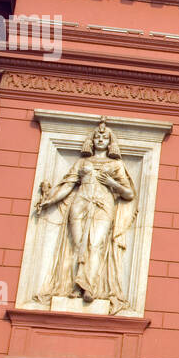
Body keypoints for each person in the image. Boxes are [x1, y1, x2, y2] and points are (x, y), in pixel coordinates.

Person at [32, 119, 136, 313]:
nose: (101, 139)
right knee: (78, 245)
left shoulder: (116, 165)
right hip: (80, 204)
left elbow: (129, 194)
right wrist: (49, 201)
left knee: (95, 245)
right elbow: (67, 186)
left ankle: (88, 287)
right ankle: (74, 287)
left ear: (110, 142)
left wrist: (113, 184)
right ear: (92, 140)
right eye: (97, 136)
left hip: (103, 205)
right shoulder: (82, 162)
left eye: (105, 137)